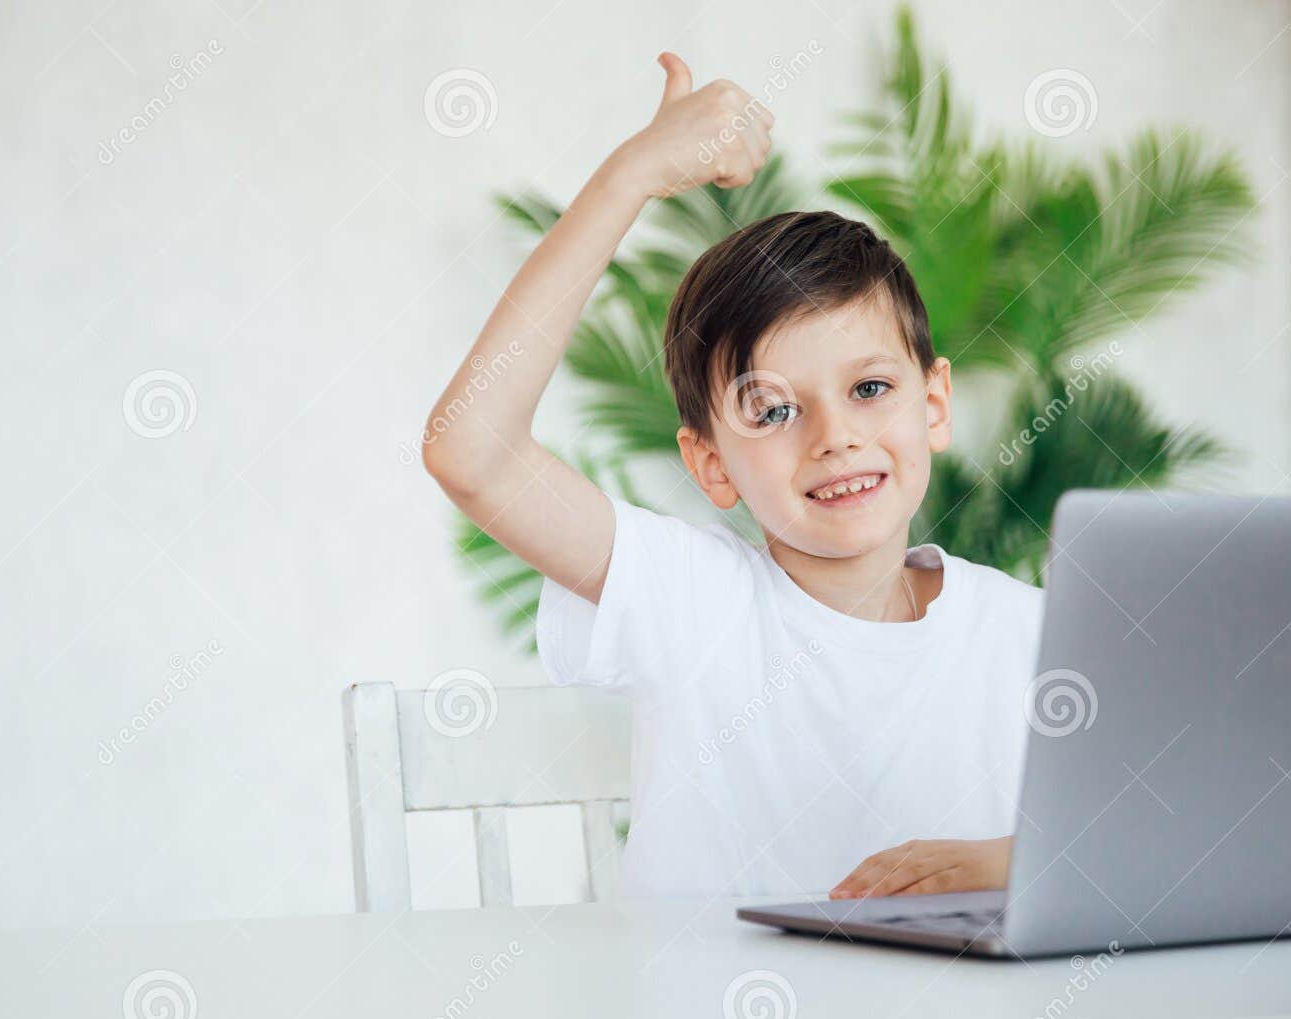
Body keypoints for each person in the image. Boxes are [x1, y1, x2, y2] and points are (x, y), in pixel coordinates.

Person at [422, 53, 1043, 901]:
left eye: (869, 390)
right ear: (711, 464)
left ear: (933, 406)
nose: (834, 437)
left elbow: (1172, 840)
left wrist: (1026, 863)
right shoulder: (690, 600)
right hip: (702, 996)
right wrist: (633, 175)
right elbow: (472, 451)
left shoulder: (1033, 632)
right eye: (774, 410)